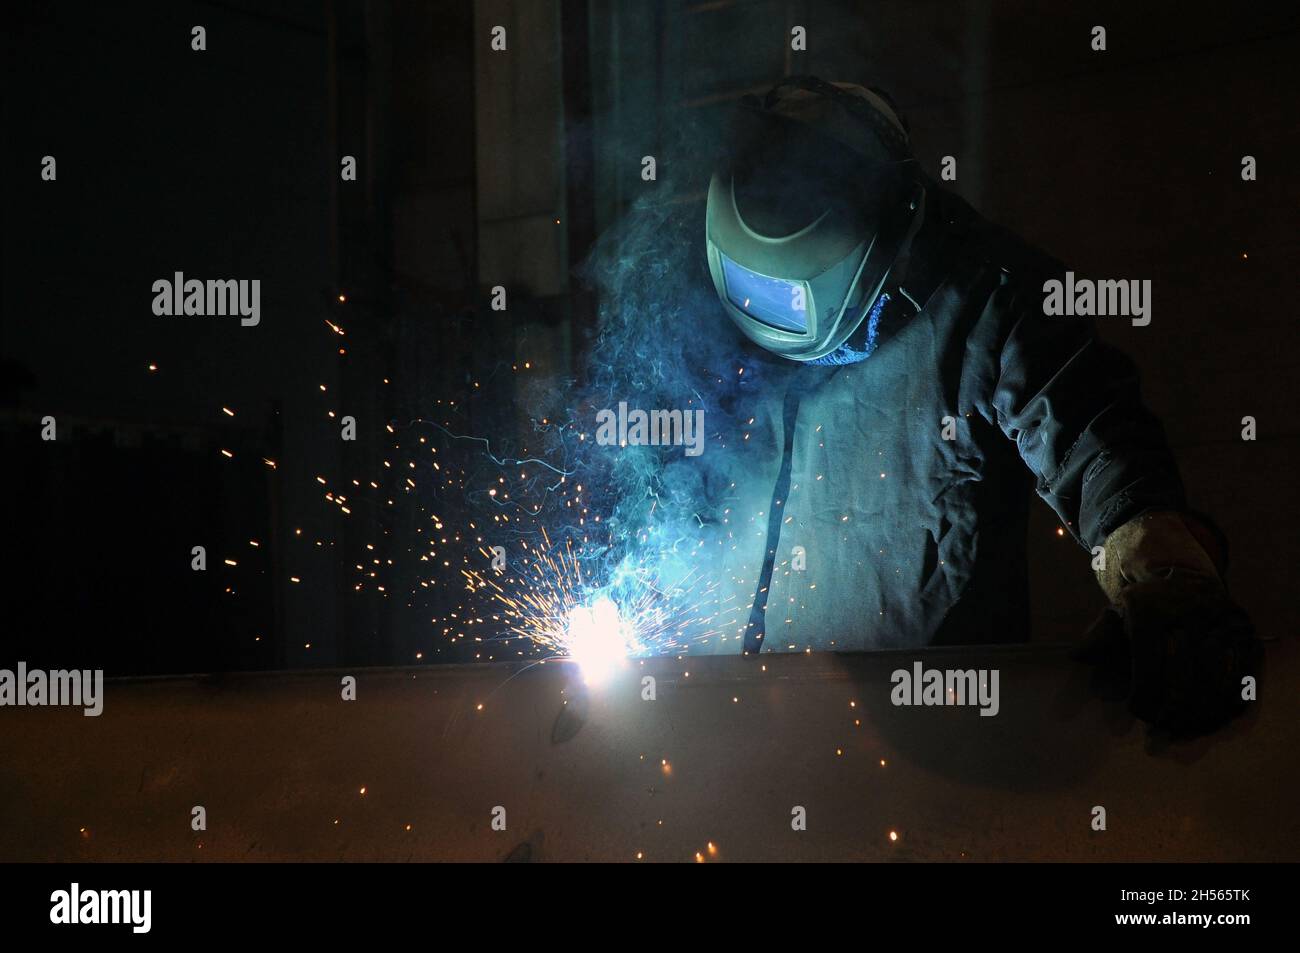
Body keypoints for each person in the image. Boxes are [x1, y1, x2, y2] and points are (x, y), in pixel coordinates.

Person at [702, 76, 1257, 732]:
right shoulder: (712, 288)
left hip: (930, 748)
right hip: (741, 740)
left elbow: (1096, 439)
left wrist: (1162, 570)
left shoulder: (991, 298)